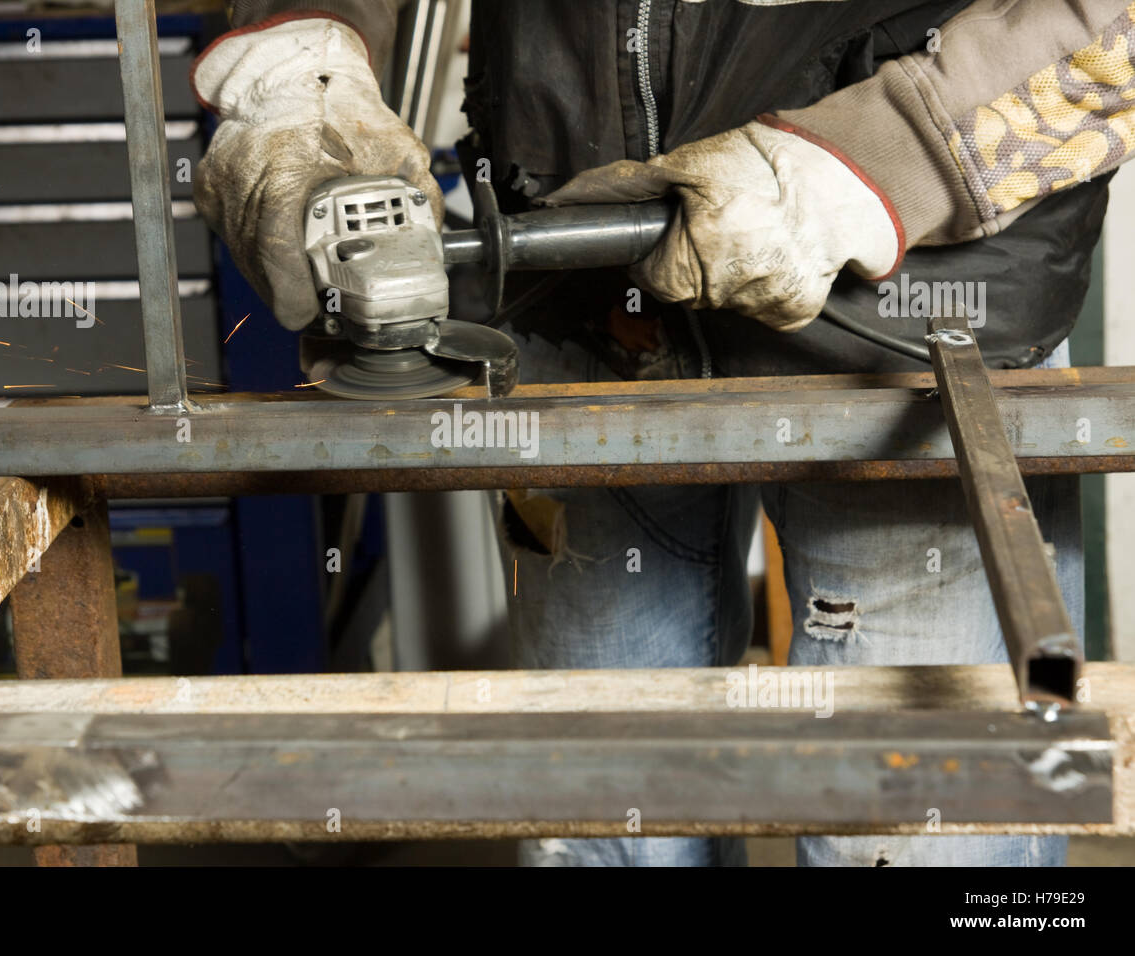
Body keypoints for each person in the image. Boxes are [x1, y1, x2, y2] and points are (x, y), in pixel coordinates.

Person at [191, 0, 1135, 865]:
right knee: (607, 834)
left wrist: (900, 153)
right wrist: (296, 58)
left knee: (925, 843)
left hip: (908, 312)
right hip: (583, 290)